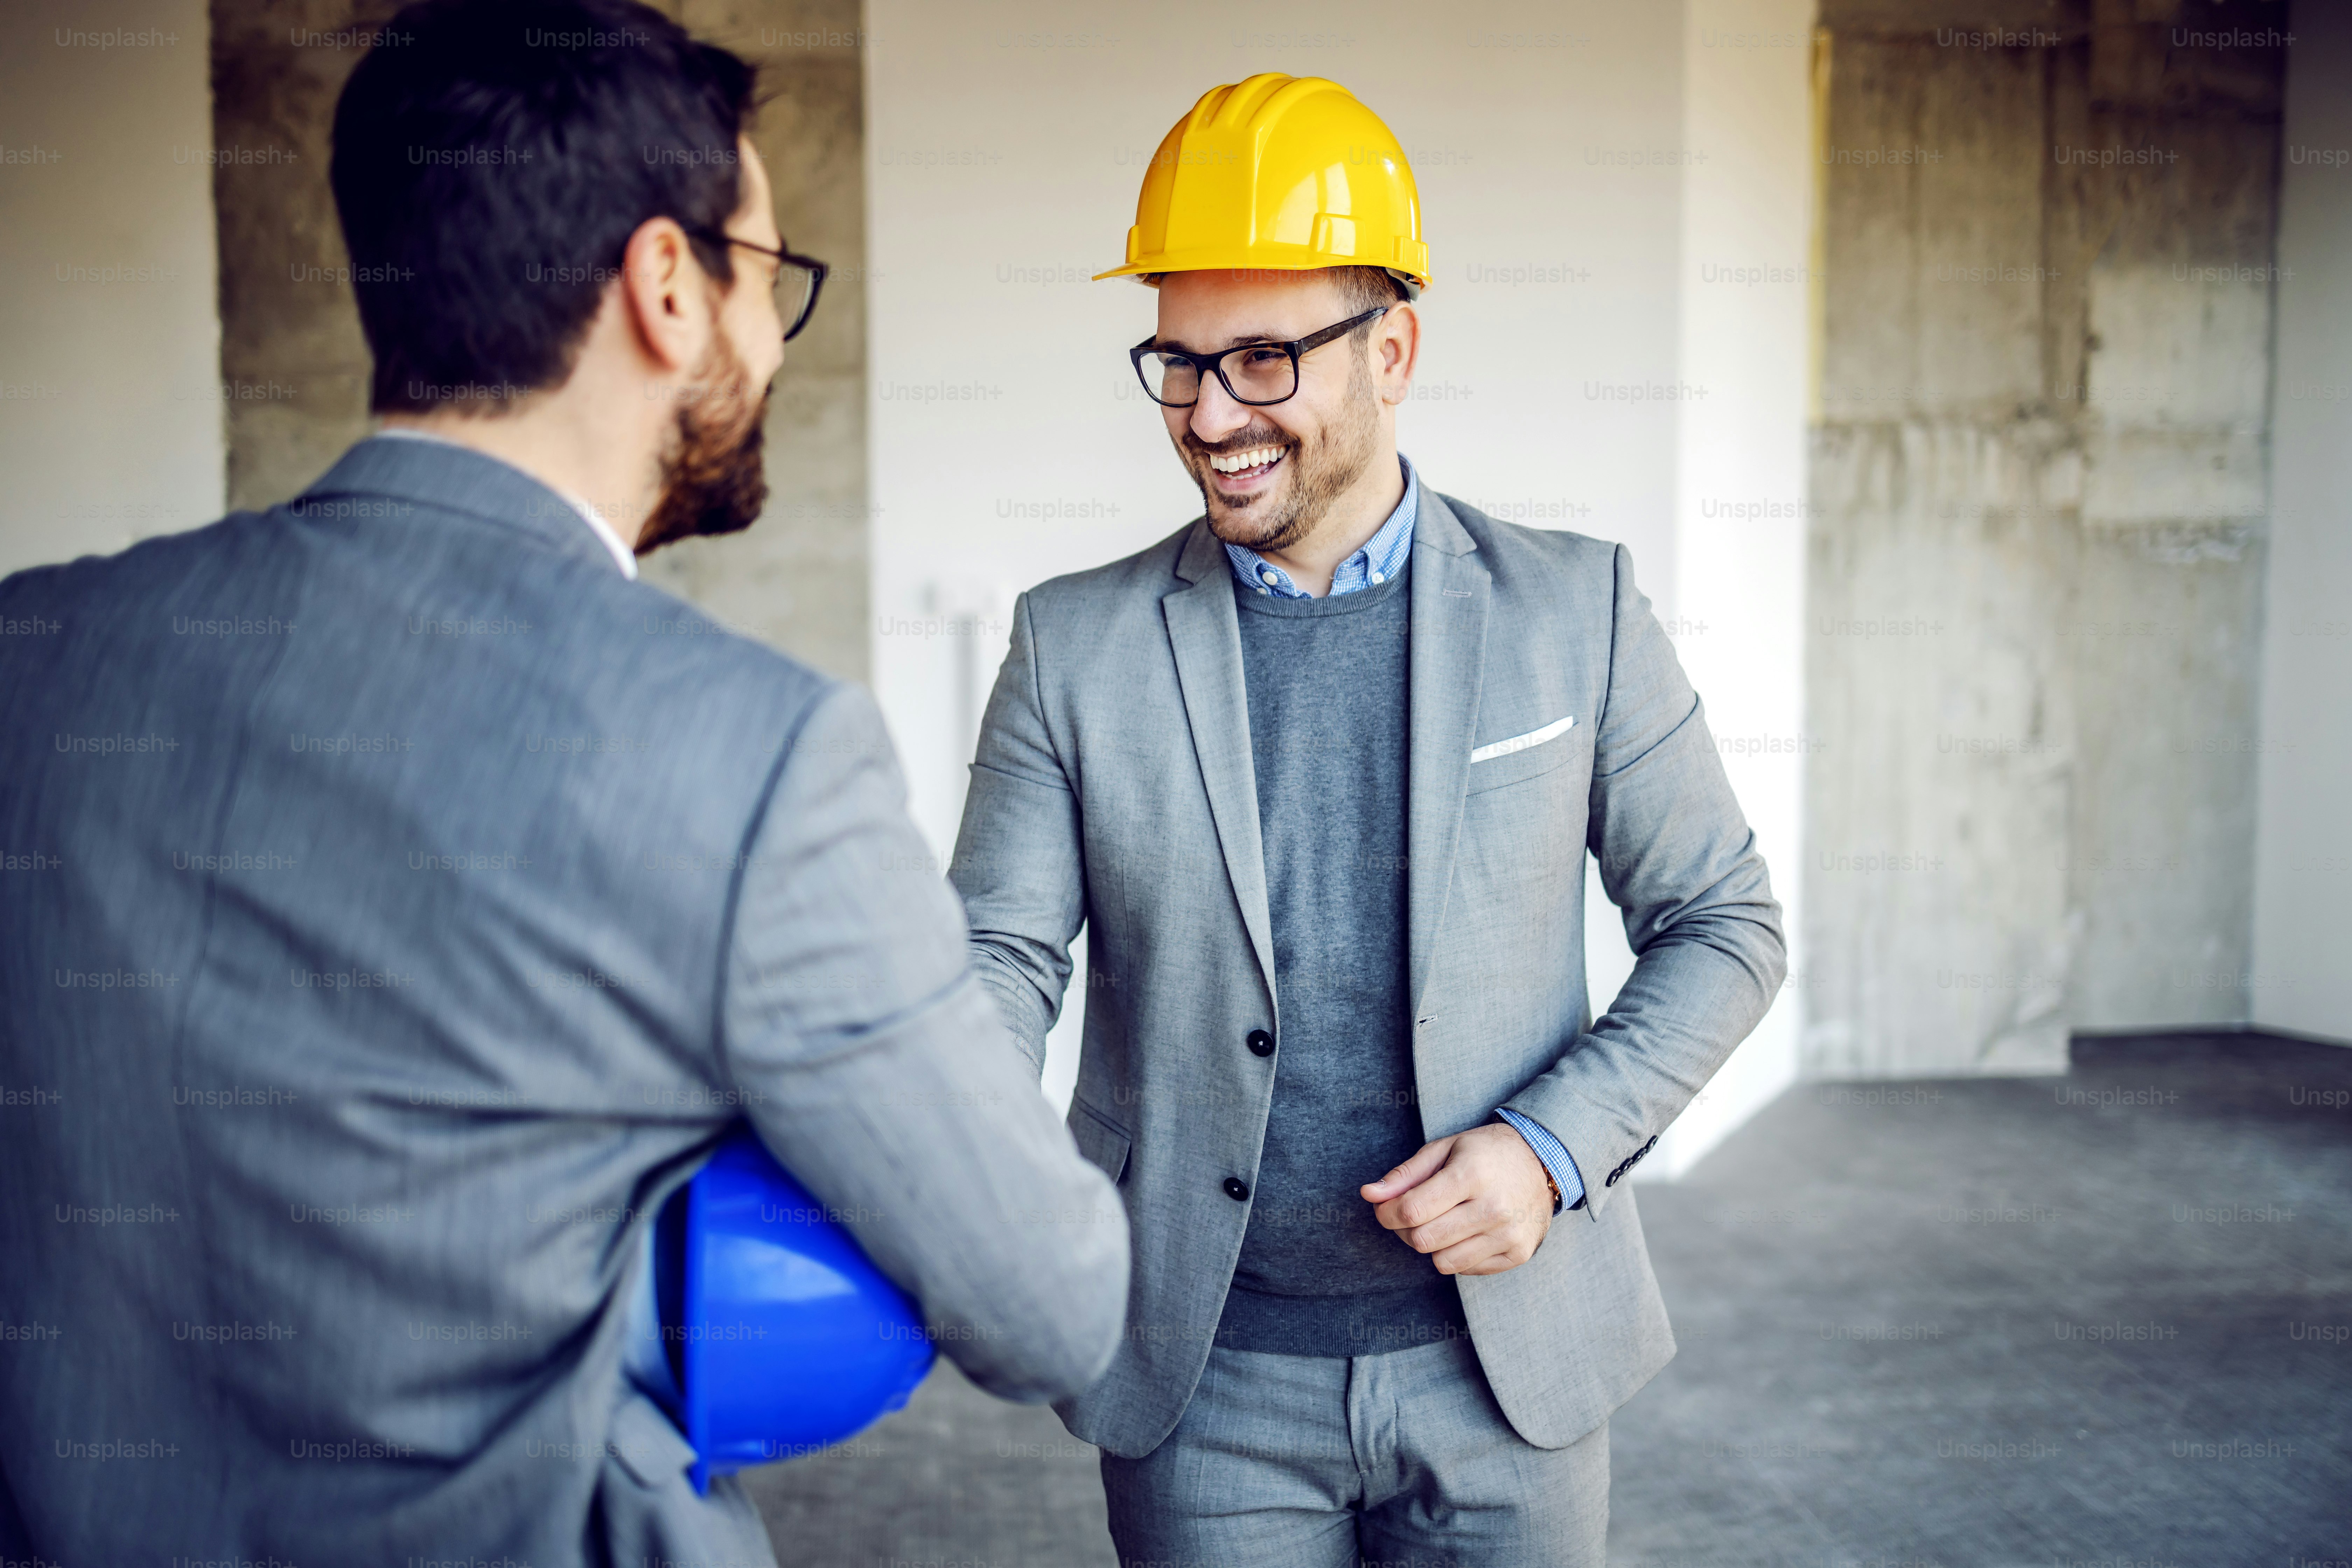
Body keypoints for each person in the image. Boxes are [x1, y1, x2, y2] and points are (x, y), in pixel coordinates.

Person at [0, 2, 1126, 1563]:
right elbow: (1053, 1301)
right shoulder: (761, 754)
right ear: (670, 285)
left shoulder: (35, 651)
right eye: (767, 282)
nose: (770, 347)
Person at [948, 73, 1787, 1567]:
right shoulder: (1072, 644)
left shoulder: (1573, 610)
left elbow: (1724, 926)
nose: (1212, 415)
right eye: (1179, 362)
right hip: (1205, 1383)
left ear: (1392, 348)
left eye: (1265, 360)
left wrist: (1548, 1147)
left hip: (1512, 1372)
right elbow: (997, 960)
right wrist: (953, 1163)